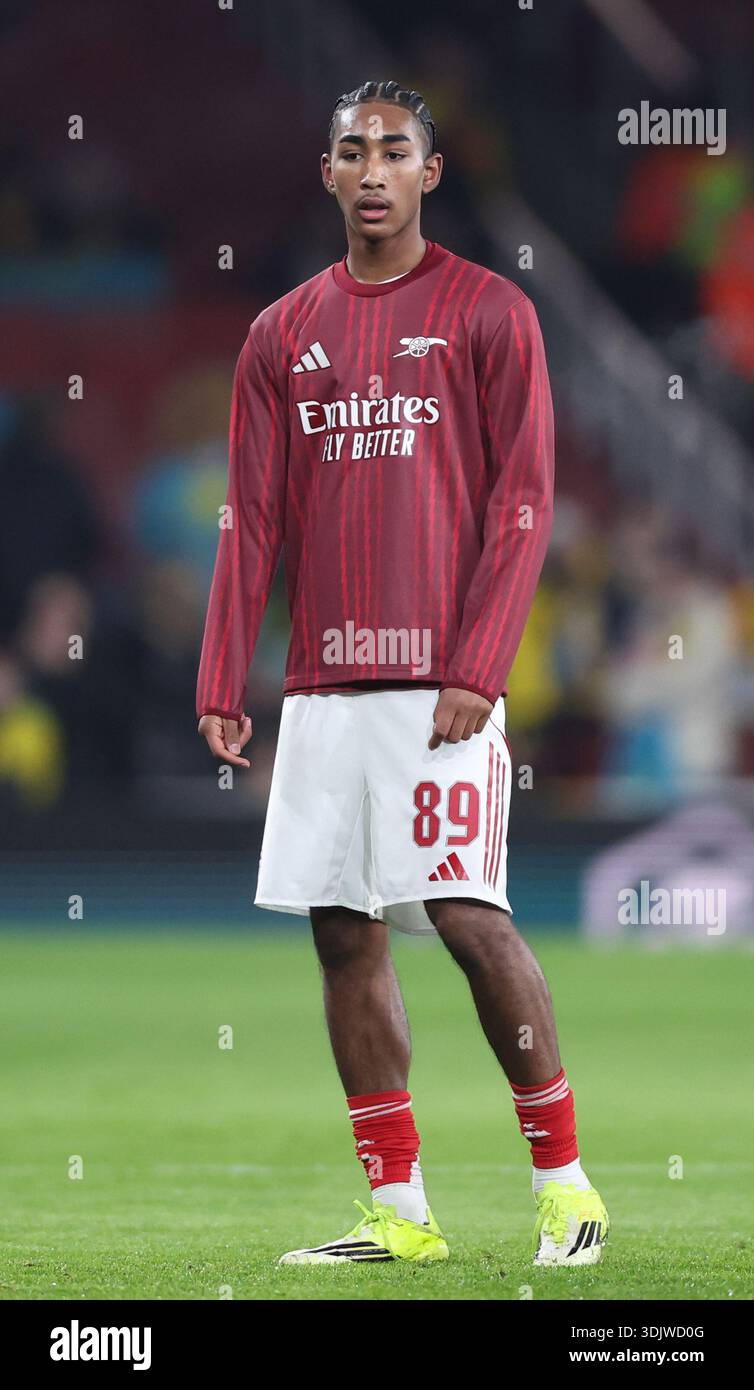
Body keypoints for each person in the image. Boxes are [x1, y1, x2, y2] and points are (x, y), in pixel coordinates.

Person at [196, 79, 608, 1267]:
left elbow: (524, 502)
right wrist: (226, 673)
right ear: (325, 173)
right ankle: (398, 1213)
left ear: (430, 173)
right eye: (349, 152)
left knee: (469, 917)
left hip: (440, 682)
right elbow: (254, 516)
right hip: (323, 686)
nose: (371, 170)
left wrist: (482, 662)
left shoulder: (490, 311)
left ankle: (564, 1185)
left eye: (393, 152)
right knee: (342, 934)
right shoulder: (280, 331)